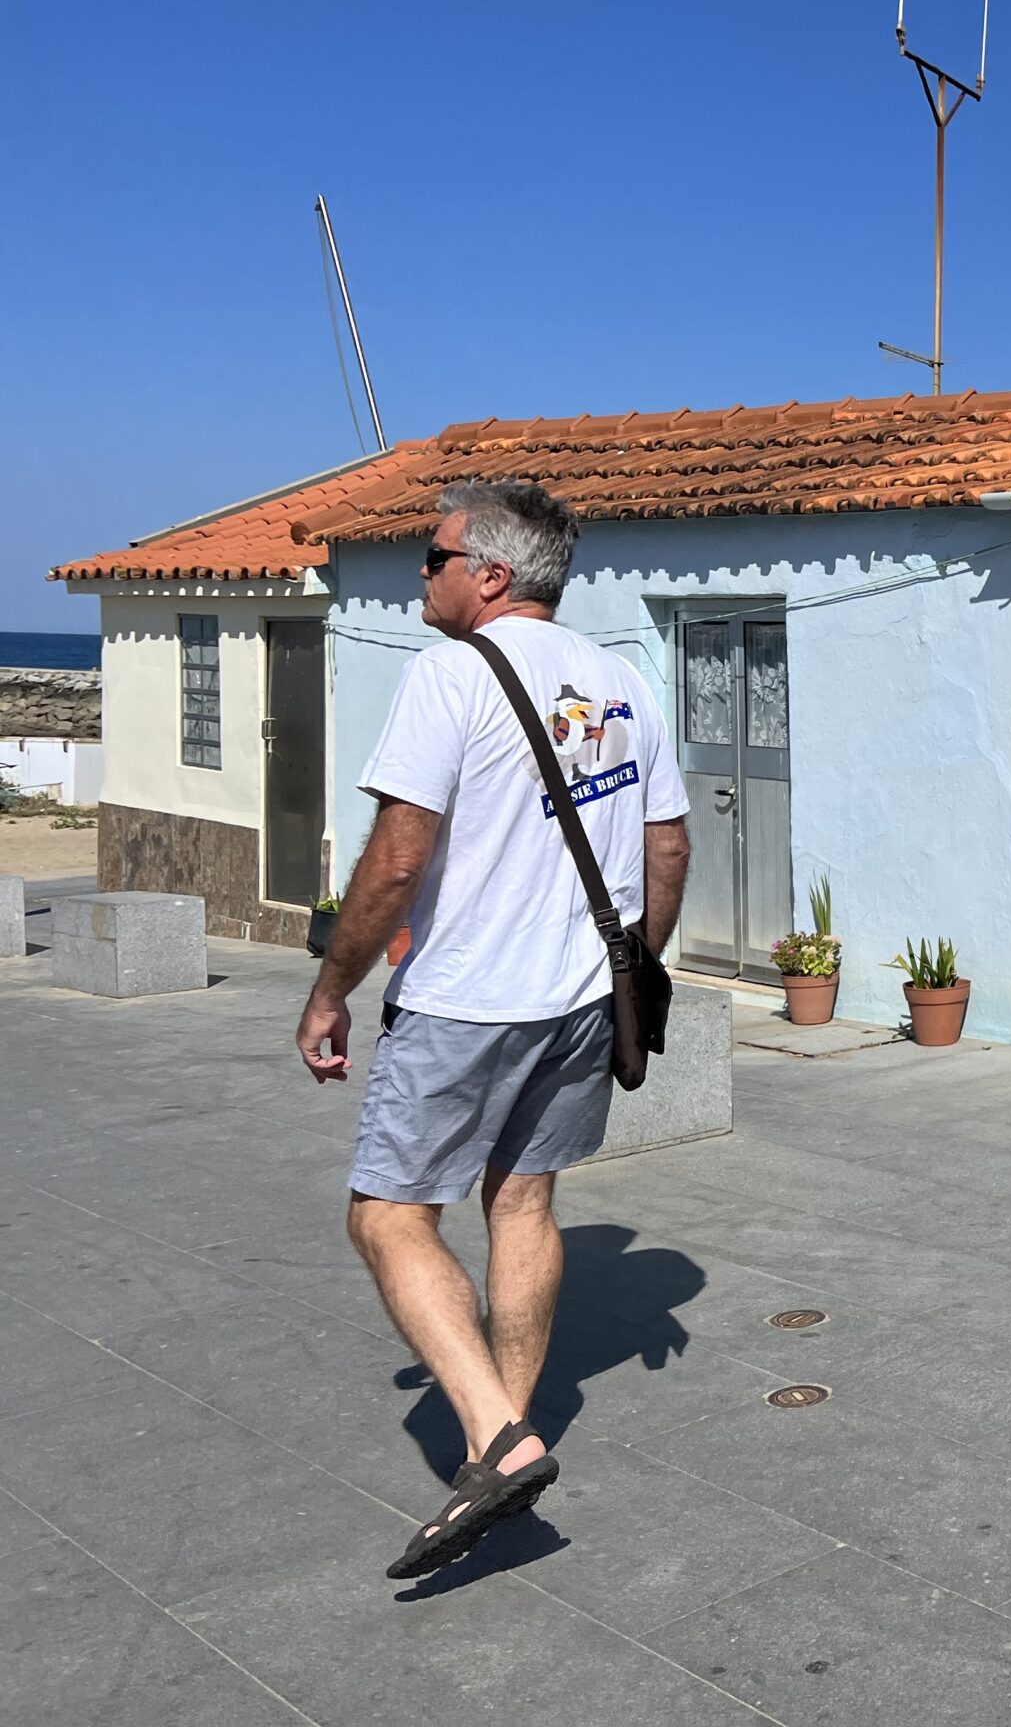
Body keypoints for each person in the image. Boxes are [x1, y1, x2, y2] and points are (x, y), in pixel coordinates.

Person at [296, 479, 691, 1580]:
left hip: (468, 1000)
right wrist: (635, 966)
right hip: (581, 999)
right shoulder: (622, 679)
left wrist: (330, 989)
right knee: (523, 1201)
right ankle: (503, 1442)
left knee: (385, 1217)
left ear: (489, 576)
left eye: (430, 558)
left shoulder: (449, 675)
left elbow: (398, 857)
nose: (417, 575)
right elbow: (666, 848)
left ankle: (498, 1436)